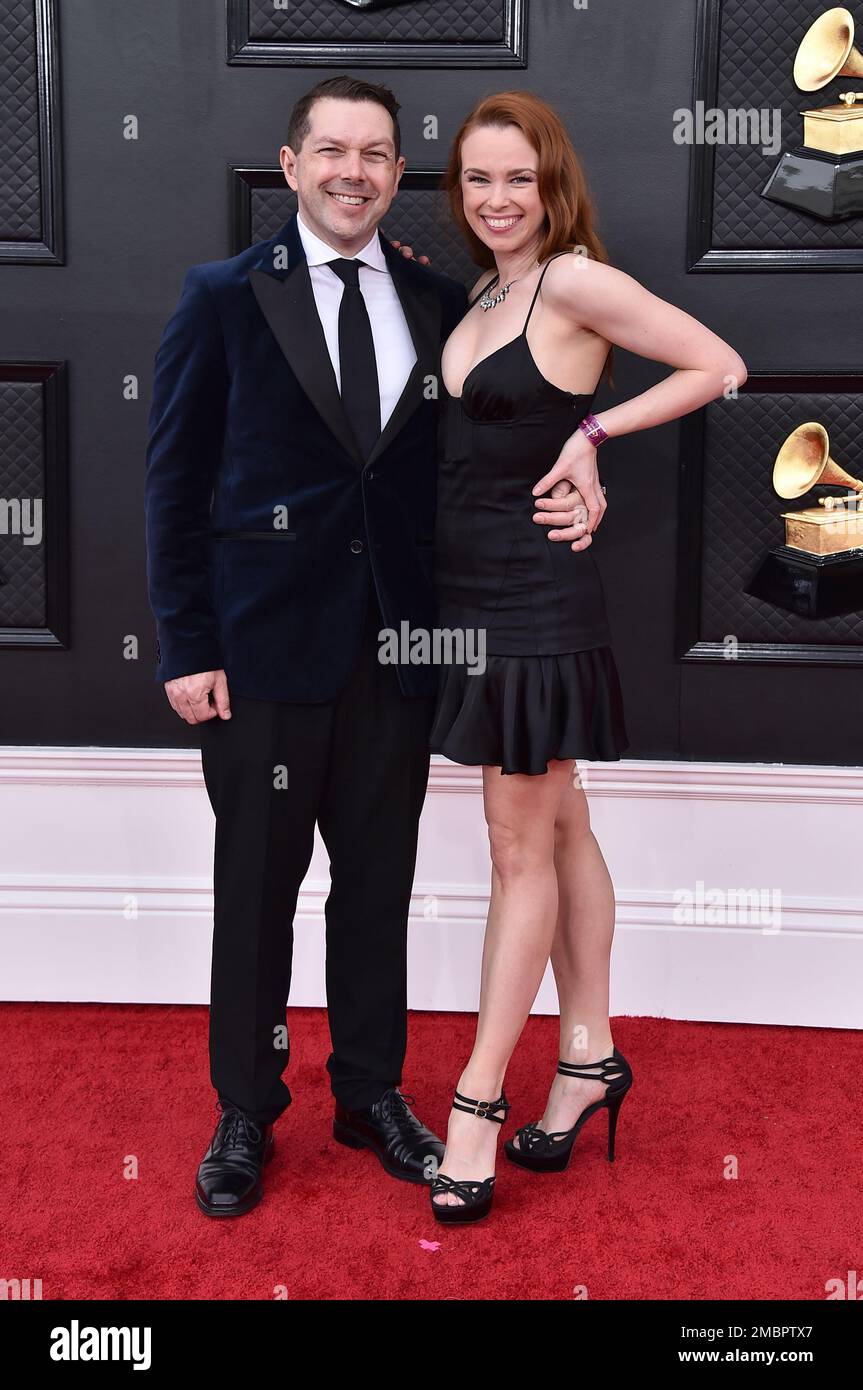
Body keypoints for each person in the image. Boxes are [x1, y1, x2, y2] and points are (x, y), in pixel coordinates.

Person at [144, 75, 588, 1218]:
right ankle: (245, 1109)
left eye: (378, 154)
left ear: (399, 174)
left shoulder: (445, 301)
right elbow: (173, 485)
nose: (354, 171)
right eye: (331, 151)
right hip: (256, 657)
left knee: (376, 888)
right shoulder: (223, 297)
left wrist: (584, 457)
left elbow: (496, 446)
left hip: (399, 652)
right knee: (255, 890)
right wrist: (187, 645)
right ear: (291, 167)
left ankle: (368, 1092)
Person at [426, 90, 748, 1224]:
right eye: (476, 178)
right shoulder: (483, 288)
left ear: (550, 182)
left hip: (534, 599)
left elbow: (718, 363)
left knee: (516, 849)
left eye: (517, 177)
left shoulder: (568, 280)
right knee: (558, 827)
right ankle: (587, 1057)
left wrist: (591, 433)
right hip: (467, 595)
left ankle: (474, 1101)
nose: (497, 198)